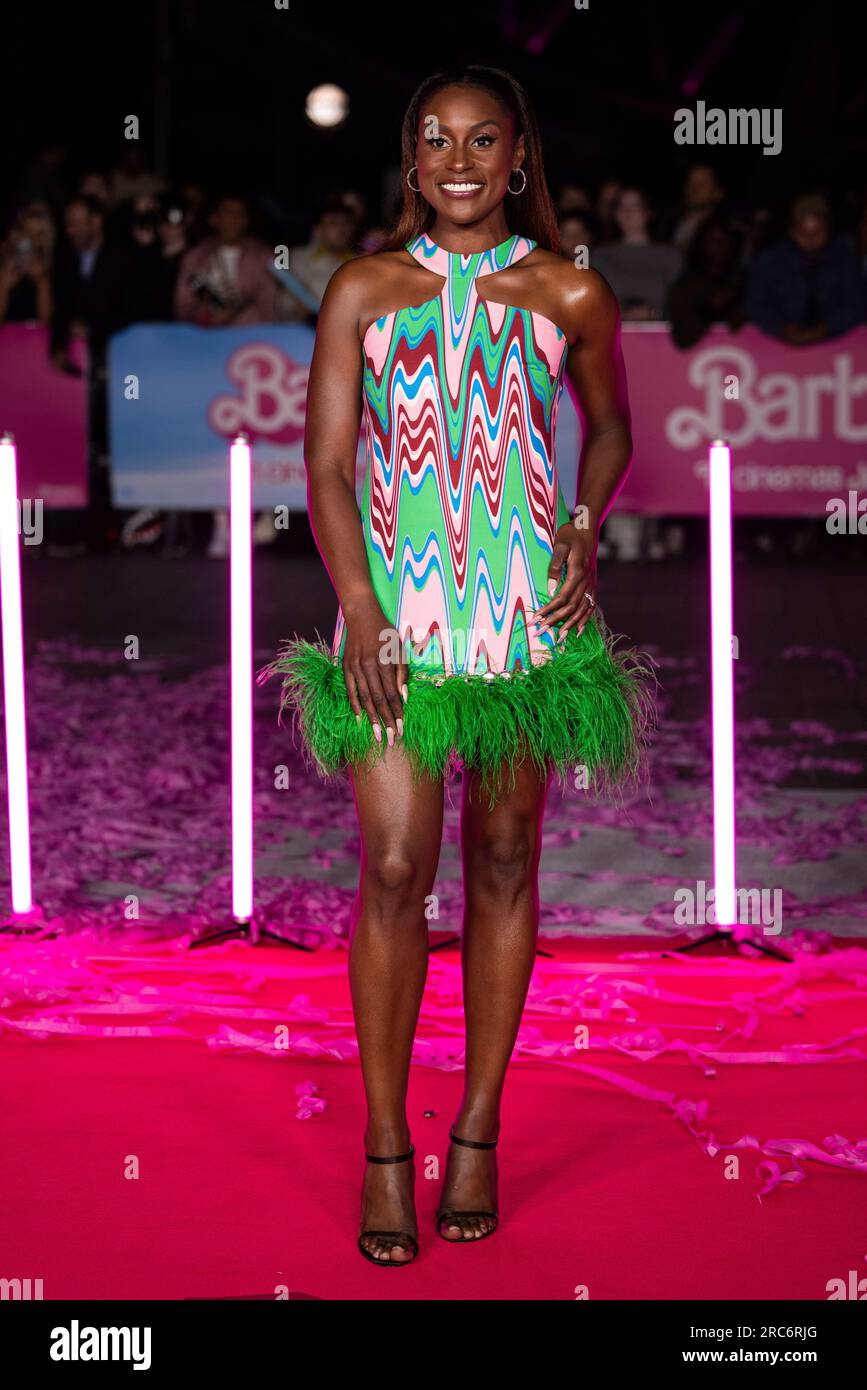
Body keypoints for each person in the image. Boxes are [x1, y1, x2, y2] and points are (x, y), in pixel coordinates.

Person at [259, 64, 653, 1267]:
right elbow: (327, 464)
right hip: (395, 618)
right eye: (438, 140)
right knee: (390, 866)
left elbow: (614, 428)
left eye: (486, 138)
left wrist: (584, 523)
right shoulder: (364, 292)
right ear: (412, 160)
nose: (461, 158)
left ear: (519, 155)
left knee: (502, 854)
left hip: (525, 612)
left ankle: (476, 1126)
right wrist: (361, 607)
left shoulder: (572, 292)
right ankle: (388, 1144)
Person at [175, 193, 281, 556]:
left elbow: (273, 310)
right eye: (226, 212)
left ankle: (261, 518)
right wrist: (210, 317)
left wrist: (240, 314)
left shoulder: (264, 255)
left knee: (259, 439)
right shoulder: (196, 258)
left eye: (240, 212)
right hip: (209, 360)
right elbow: (182, 307)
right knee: (214, 441)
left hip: (255, 365)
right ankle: (222, 520)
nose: (233, 219)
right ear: (215, 218)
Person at [745, 193, 865, 344]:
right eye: (804, 232)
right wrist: (781, 328)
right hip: (779, 347)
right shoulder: (769, 260)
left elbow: (857, 304)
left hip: (839, 347)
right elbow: (755, 305)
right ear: (792, 230)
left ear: (828, 229)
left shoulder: (845, 258)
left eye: (817, 232)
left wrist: (827, 328)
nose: (810, 239)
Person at [592, 186, 682, 320]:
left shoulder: (670, 255)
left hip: (660, 333)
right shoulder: (600, 255)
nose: (628, 211)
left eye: (635, 206)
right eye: (622, 206)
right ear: (615, 214)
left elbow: (683, 302)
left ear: (648, 212)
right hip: (613, 333)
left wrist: (655, 313)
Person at [666, 216, 745, 349]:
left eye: (723, 240)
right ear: (700, 242)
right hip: (696, 359)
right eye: (712, 240)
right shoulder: (686, 285)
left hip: (747, 354)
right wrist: (711, 308)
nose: (717, 245)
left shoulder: (742, 280)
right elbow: (683, 339)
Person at [0, 203, 55, 324]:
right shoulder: (7, 266)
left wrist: (42, 281)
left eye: (39, 235)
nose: (33, 240)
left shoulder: (56, 268)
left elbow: (45, 321)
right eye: (27, 233)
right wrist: (4, 285)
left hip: (37, 339)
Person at [671, 163, 724, 252]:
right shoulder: (666, 223)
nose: (695, 188)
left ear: (717, 193)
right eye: (691, 182)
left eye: (703, 184)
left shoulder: (720, 232)